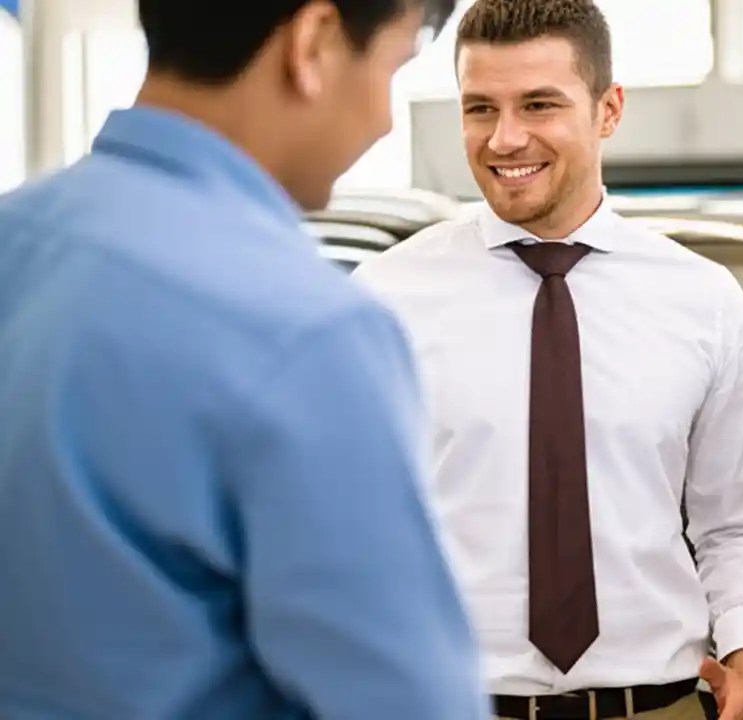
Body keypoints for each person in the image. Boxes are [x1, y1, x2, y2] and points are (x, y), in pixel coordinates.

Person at [0, 1, 489, 718]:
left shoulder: (16, 239)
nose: (386, 120)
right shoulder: (310, 330)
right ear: (313, 43)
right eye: (395, 66)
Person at [353, 1, 743, 718]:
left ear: (608, 109)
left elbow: (738, 523)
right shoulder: (383, 299)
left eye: (538, 104)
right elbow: (345, 527)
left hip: (659, 706)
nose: (504, 138)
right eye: (480, 108)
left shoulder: (703, 299)